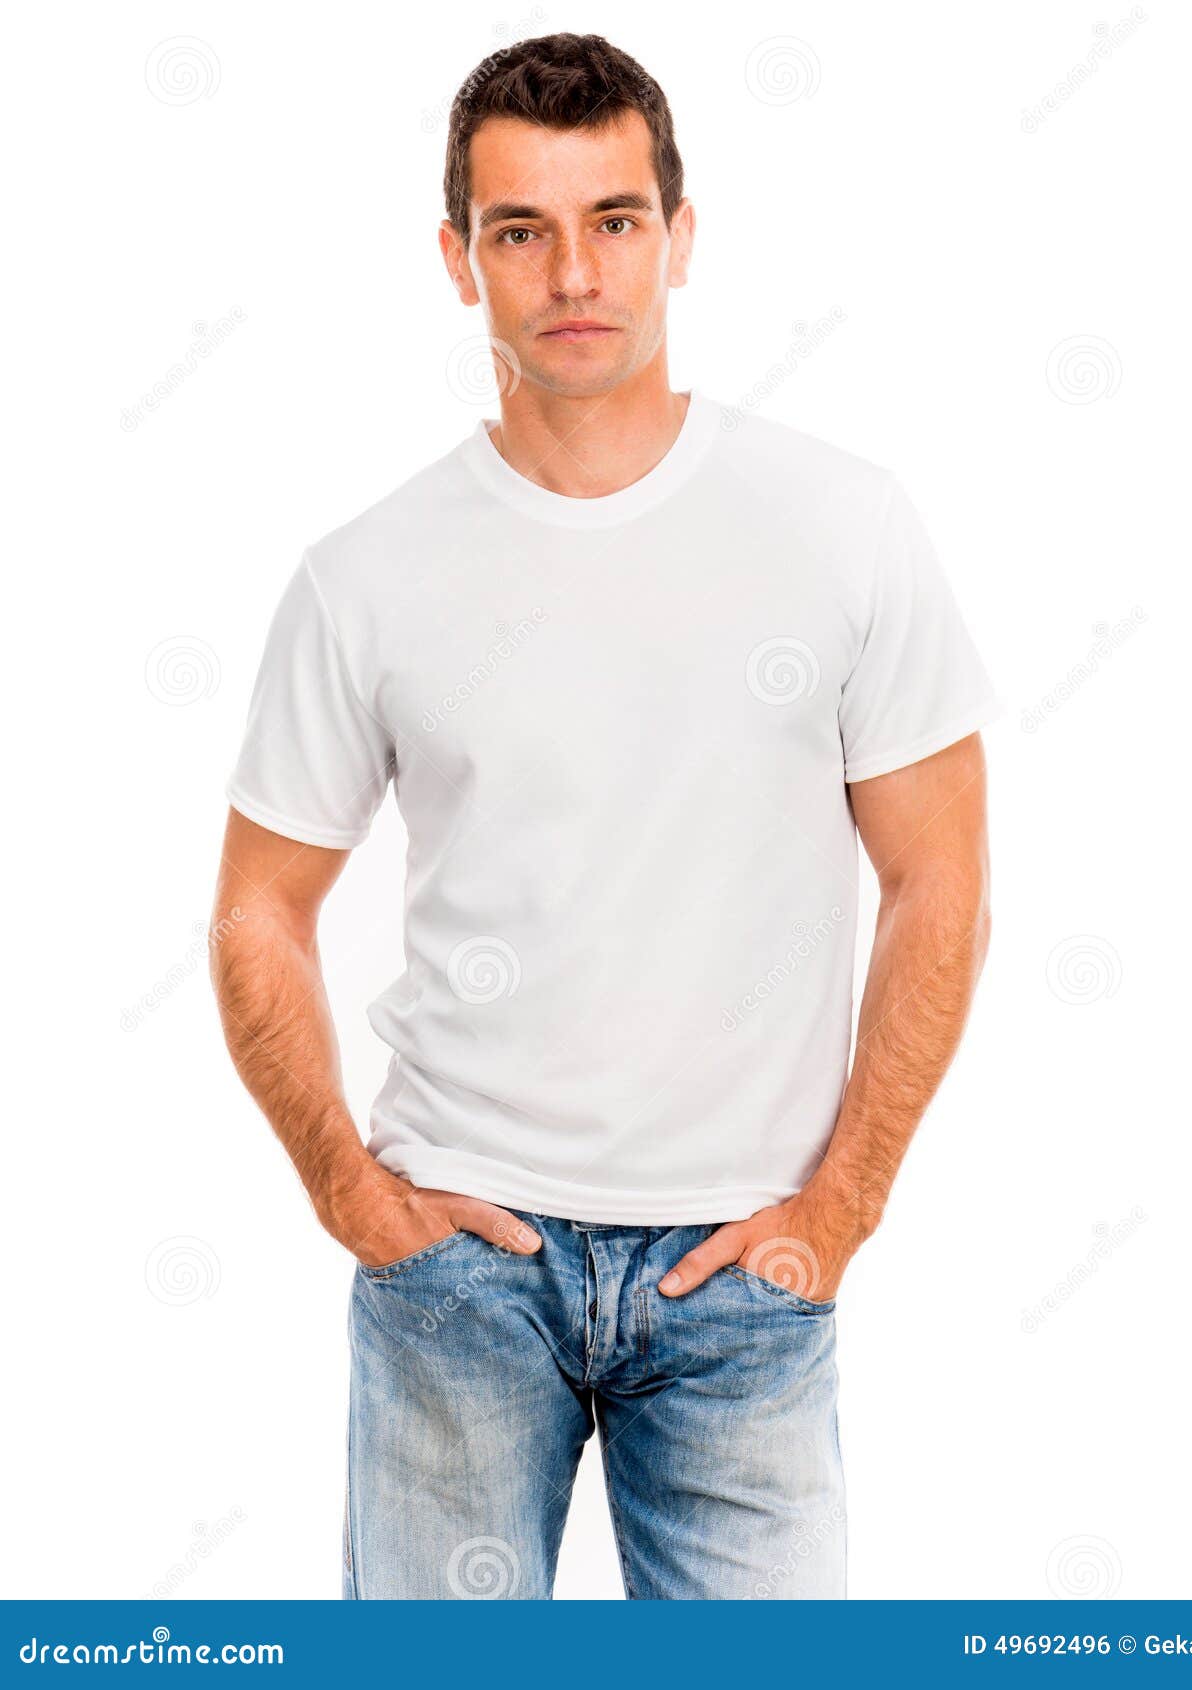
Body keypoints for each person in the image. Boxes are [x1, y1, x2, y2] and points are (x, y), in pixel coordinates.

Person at [211, 31, 1003, 1601]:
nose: (575, 271)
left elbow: (943, 884)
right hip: (461, 1278)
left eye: (616, 220)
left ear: (680, 236)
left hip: (746, 1284)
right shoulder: (367, 572)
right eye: (521, 229)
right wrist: (354, 1198)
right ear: (460, 260)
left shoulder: (842, 525)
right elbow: (256, 909)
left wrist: (836, 1210)